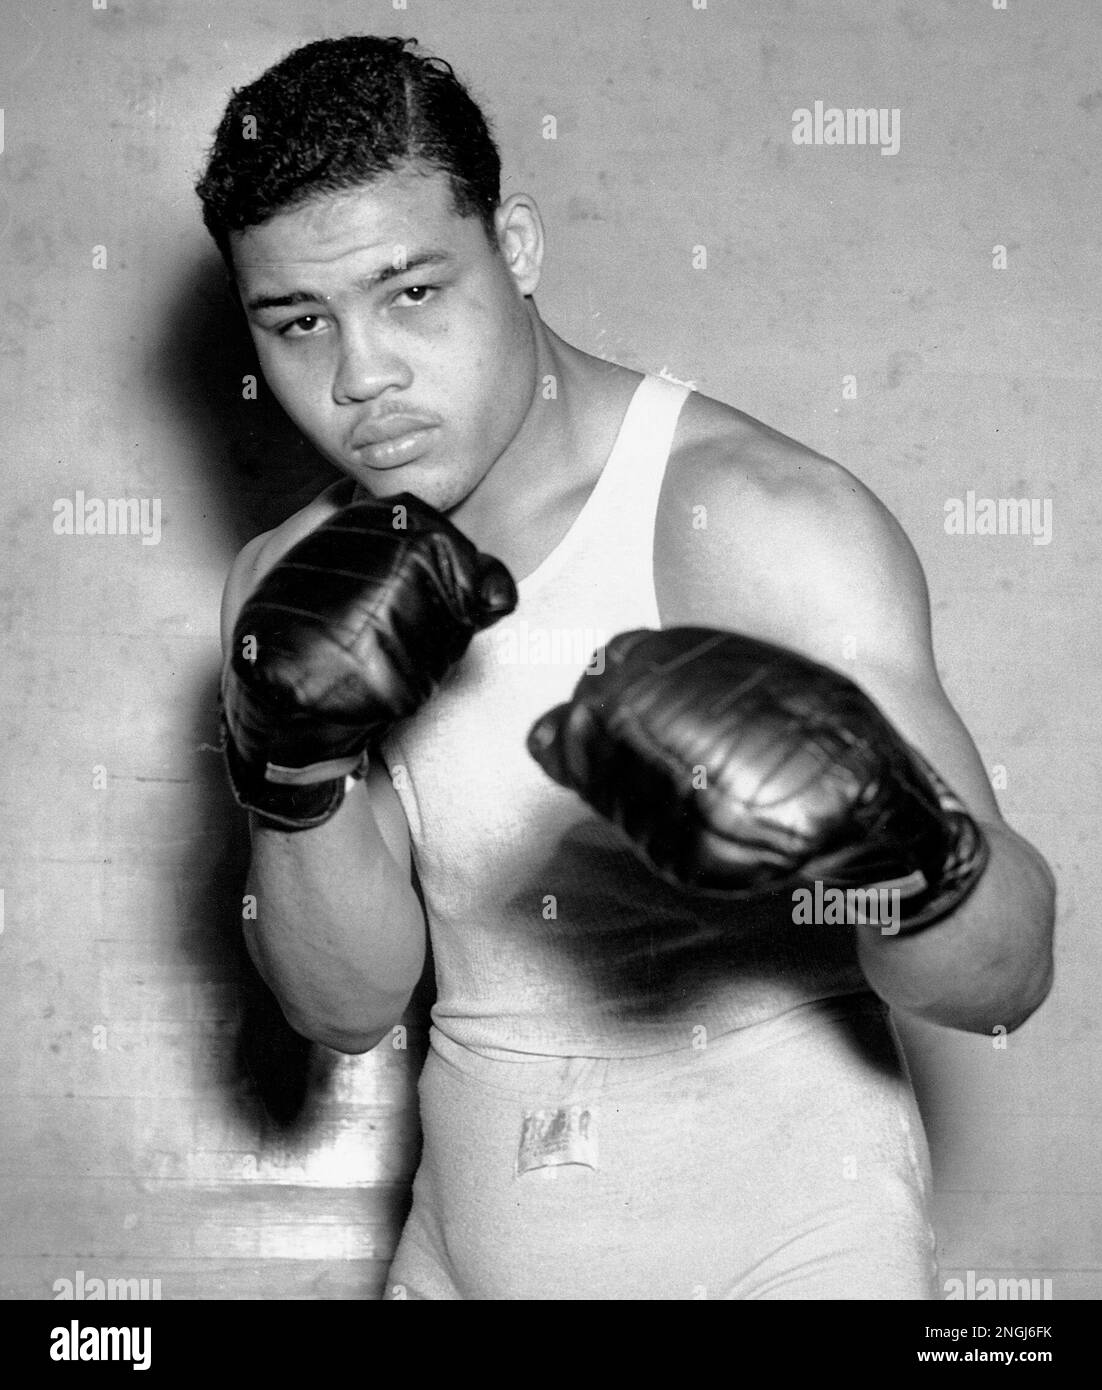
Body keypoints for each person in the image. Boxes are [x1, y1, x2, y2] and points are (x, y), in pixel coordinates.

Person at [195, 34, 1055, 1300]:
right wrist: (292, 772)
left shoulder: (756, 519)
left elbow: (1004, 982)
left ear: (519, 250)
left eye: (412, 292)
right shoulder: (291, 582)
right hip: (463, 1255)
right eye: (301, 321)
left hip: (790, 1263)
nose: (361, 374)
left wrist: (891, 846)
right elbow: (345, 1006)